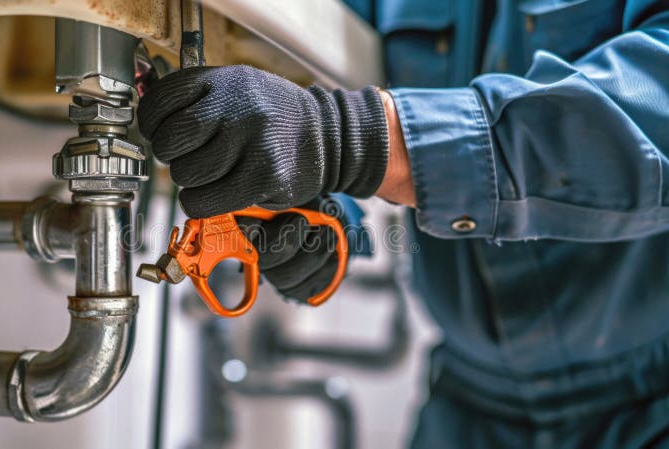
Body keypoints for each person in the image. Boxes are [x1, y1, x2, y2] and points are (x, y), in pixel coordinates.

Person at [137, 1, 669, 447]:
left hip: (650, 406)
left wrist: (354, 139)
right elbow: (325, 88)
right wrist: (323, 220)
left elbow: (654, 105)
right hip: (466, 410)